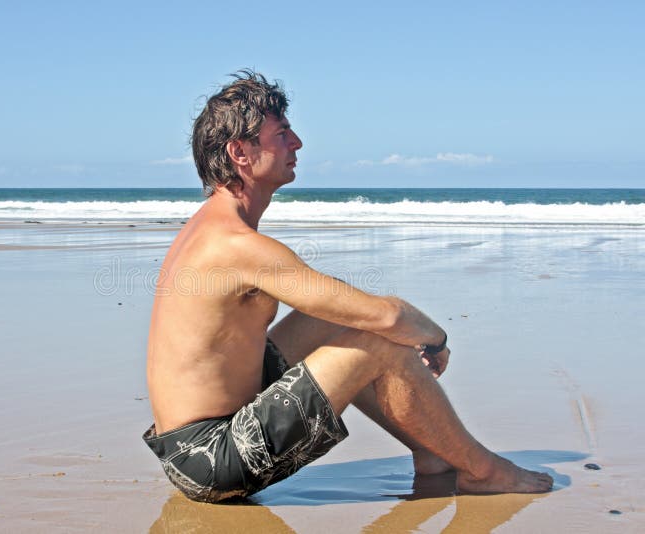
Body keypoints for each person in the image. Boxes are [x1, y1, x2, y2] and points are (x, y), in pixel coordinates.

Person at [142, 70, 553, 503]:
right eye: (281, 133)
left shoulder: (211, 228)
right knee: (379, 339)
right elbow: (389, 316)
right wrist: (436, 337)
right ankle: (482, 470)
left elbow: (340, 303)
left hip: (197, 438)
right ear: (240, 152)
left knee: (336, 315)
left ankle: (432, 454)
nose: (297, 143)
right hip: (210, 459)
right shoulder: (237, 245)